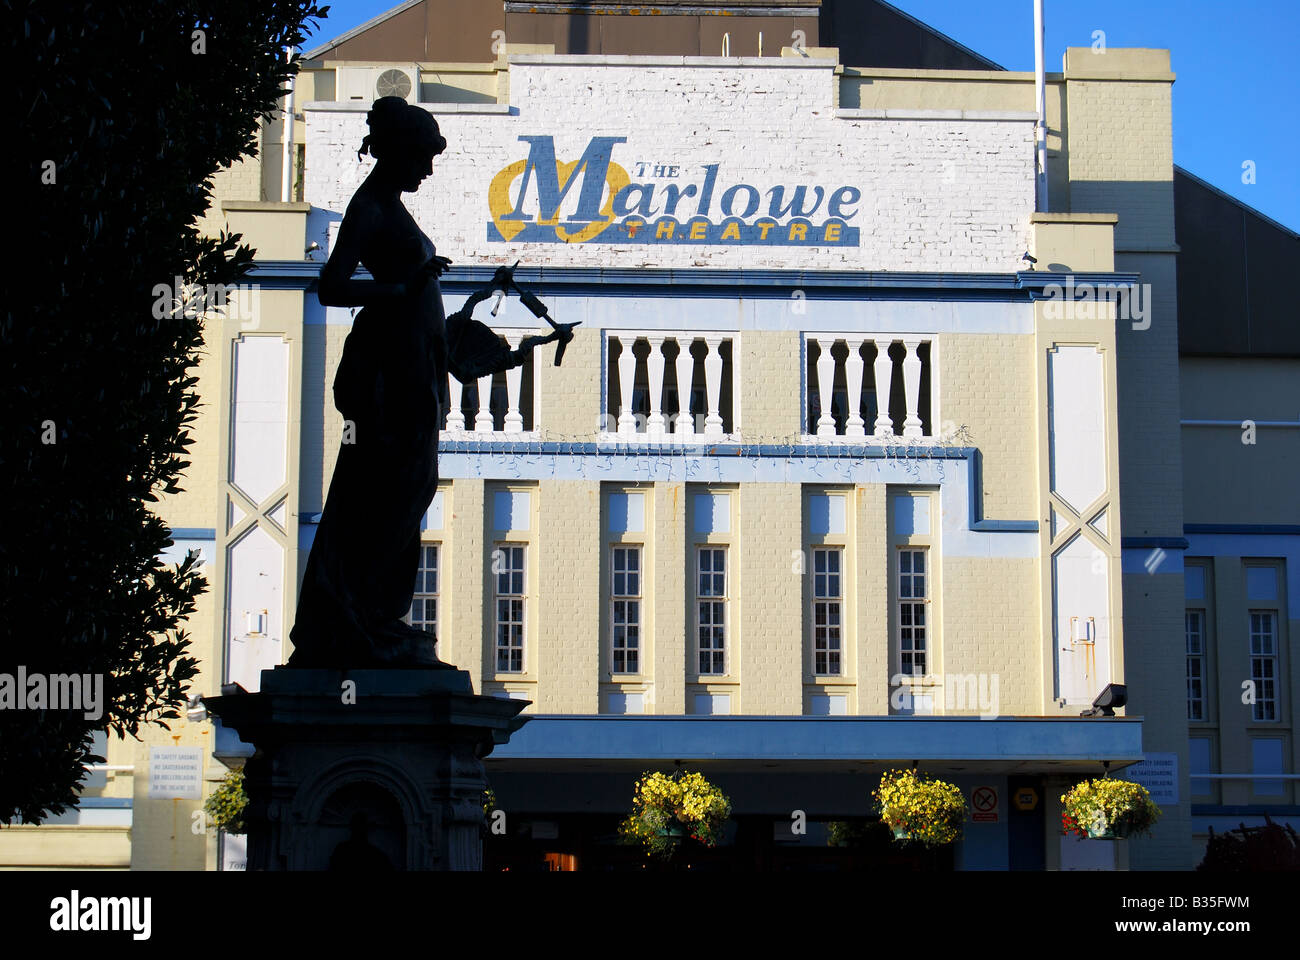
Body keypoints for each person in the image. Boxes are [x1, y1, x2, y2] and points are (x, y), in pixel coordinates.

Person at [288, 97, 554, 669]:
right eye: (424, 157)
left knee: (410, 487)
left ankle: (372, 614)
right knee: (394, 488)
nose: (429, 170)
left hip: (418, 368)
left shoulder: (390, 205)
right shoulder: (369, 208)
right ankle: (359, 616)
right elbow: (331, 287)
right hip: (391, 374)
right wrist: (403, 290)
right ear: (400, 151)